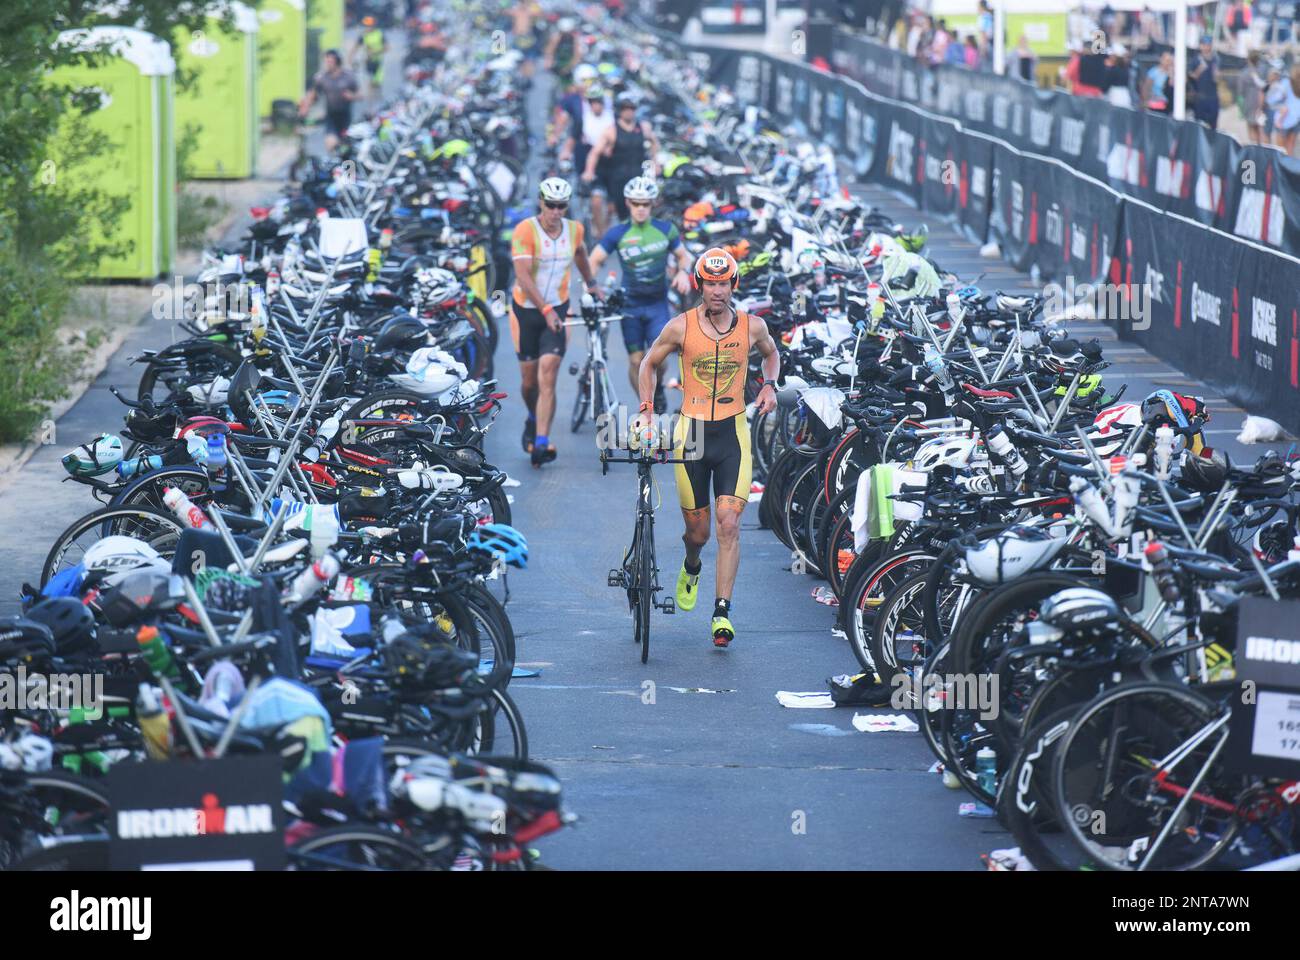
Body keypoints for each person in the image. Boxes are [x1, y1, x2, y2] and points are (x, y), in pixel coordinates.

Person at [632, 249, 780, 650]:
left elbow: (771, 354)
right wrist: (647, 410)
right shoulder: (680, 327)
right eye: (710, 283)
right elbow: (648, 363)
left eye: (724, 283)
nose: (717, 291)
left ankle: (722, 611)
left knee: (728, 523)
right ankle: (692, 565)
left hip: (732, 434)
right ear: (700, 285)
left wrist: (769, 385)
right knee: (697, 534)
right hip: (691, 434)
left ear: (734, 284)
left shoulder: (752, 326)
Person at [510, 178, 602, 467]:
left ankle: (541, 441)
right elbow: (523, 277)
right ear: (541, 202)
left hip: (558, 310)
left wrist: (592, 284)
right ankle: (533, 415)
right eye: (551, 205)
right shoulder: (525, 230)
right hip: (527, 311)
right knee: (529, 383)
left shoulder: (575, 230)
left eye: (562, 206)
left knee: (547, 374)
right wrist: (545, 309)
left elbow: (581, 255)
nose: (556, 212)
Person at [589, 177, 692, 404]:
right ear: (628, 203)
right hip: (630, 307)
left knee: (660, 361)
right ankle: (647, 406)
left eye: (645, 204)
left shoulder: (665, 230)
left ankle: (658, 391)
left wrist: (683, 272)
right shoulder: (618, 233)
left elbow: (683, 256)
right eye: (636, 204)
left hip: (657, 305)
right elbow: (594, 260)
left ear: (652, 204)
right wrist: (591, 287)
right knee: (636, 361)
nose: (641, 209)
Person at [585, 95, 659, 221]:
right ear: (620, 110)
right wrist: (589, 171)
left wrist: (655, 163)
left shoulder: (643, 128)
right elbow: (594, 153)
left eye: (632, 108)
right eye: (625, 108)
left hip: (638, 176)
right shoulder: (611, 131)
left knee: (643, 210)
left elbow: (654, 142)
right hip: (618, 178)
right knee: (622, 214)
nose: (629, 111)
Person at [574, 83, 615, 238]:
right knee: (596, 201)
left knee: (612, 207)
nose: (596, 105)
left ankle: (605, 224)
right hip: (592, 166)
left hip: (610, 165)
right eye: (593, 102)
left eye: (598, 101)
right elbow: (573, 139)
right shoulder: (583, 119)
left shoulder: (612, 118)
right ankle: (601, 234)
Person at [298, 50, 359, 153]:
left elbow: (360, 94)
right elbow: (312, 94)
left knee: (346, 149)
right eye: (326, 61)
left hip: (346, 117)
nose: (327, 64)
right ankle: (335, 163)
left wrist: (352, 96)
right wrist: (304, 108)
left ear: (337, 61)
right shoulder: (322, 78)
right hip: (331, 116)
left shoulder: (348, 77)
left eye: (330, 61)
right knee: (330, 144)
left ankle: (346, 166)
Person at [1267, 63, 1300, 156]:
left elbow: (1271, 100)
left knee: (1280, 150)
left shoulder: (1286, 82)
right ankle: (1289, 168)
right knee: (1290, 147)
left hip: (1283, 119)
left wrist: (1280, 107)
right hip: (1297, 120)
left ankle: (1280, 169)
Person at [351, 16, 387, 96]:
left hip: (378, 61)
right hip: (367, 61)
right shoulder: (363, 35)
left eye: (370, 25)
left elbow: (387, 47)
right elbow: (355, 47)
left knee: (377, 82)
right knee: (369, 82)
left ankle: (377, 98)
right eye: (366, 25)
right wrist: (350, 58)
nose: (368, 27)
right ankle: (370, 103)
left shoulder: (379, 34)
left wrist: (375, 52)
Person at [1189, 36, 1220, 129]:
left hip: (1213, 96)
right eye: (1204, 45)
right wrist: (1200, 69)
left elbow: (1216, 79)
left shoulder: (1216, 59)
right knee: (1199, 124)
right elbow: (1191, 77)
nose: (1206, 47)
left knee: (1213, 125)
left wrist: (1216, 74)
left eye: (1208, 45)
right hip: (1200, 97)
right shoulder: (1195, 60)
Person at [1238, 50, 1268, 145]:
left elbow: (1240, 92)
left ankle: (1254, 151)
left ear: (1248, 59)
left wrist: (1240, 109)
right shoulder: (1264, 70)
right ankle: (1263, 150)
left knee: (1251, 128)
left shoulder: (1244, 73)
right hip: (1262, 102)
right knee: (1261, 128)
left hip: (1249, 103)